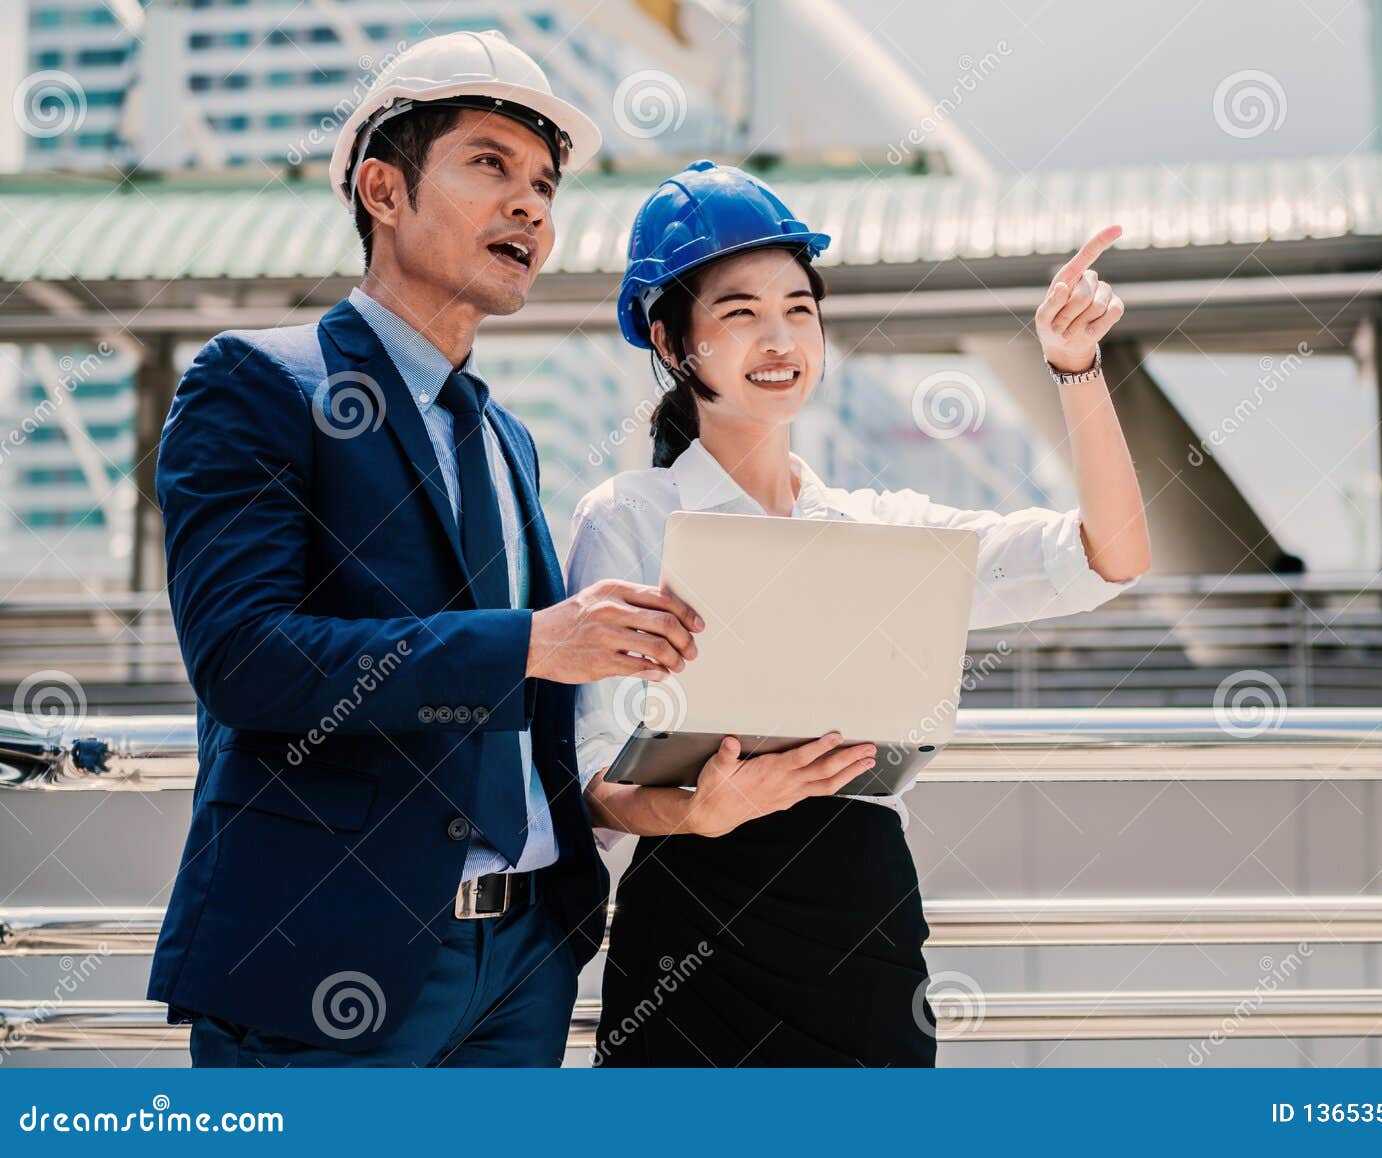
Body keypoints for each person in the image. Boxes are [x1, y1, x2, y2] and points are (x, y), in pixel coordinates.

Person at [147, 31, 703, 1067]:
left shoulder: (506, 437)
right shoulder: (258, 387)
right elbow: (244, 661)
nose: (531, 205)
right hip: (325, 964)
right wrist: (529, 644)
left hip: (522, 966)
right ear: (383, 191)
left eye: (544, 182)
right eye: (489, 164)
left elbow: (530, 714)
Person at [566, 160, 1152, 1066]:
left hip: (860, 938)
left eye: (800, 309)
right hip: (693, 942)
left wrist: (1075, 370)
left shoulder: (881, 529)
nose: (779, 338)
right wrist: (702, 810)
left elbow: (1104, 557)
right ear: (670, 337)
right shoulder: (630, 517)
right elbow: (596, 777)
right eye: (739, 312)